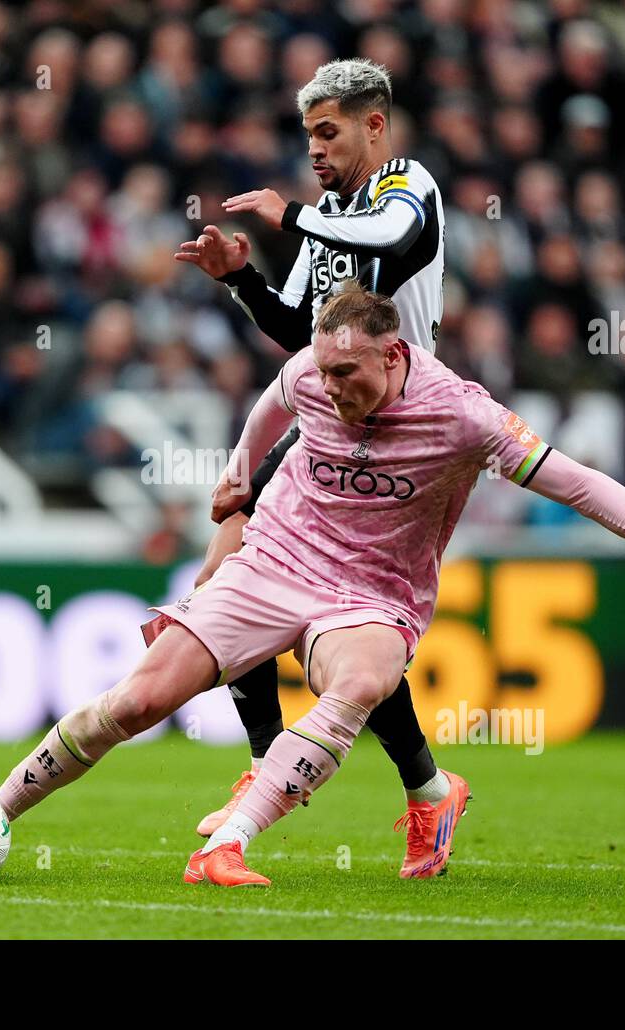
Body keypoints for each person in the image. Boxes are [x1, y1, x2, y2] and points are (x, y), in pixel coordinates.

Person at [0, 287, 625, 886]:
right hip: (276, 560)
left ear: (395, 356)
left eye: (349, 375)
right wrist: (236, 493)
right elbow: (265, 412)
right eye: (323, 373)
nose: (332, 389)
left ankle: (232, 843)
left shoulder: (464, 414)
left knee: (364, 679)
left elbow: (573, 477)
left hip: (371, 592)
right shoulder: (311, 377)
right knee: (138, 702)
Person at [174, 57, 454, 866]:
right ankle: (412, 787)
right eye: (308, 137)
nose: (316, 150)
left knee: (322, 618)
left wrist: (293, 215)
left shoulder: (408, 187)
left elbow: (394, 238)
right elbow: (300, 329)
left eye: (329, 133)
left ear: (375, 125)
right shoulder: (330, 213)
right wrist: (241, 279)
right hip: (331, 425)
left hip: (404, 430)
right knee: (228, 582)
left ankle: (395, 784)